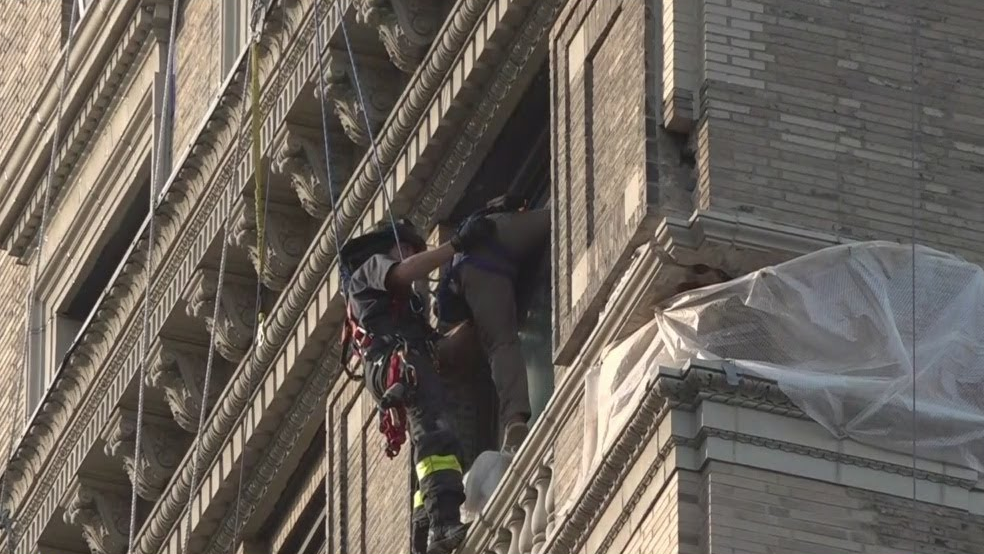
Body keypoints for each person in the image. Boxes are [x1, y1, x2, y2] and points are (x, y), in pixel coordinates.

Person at [340, 217, 495, 554]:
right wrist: (456, 244)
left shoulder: (407, 312)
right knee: (435, 431)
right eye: (405, 246)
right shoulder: (372, 268)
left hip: (407, 362)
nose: (409, 253)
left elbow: (441, 349)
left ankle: (425, 528)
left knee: (434, 433)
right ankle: (442, 523)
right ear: (387, 246)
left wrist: (485, 320)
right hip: (393, 363)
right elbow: (403, 272)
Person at [437, 195, 550, 453]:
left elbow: (496, 342)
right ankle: (514, 422)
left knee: (500, 344)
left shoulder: (456, 316)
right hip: (497, 233)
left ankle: (514, 421)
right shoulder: (455, 301)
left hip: (481, 257)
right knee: (564, 211)